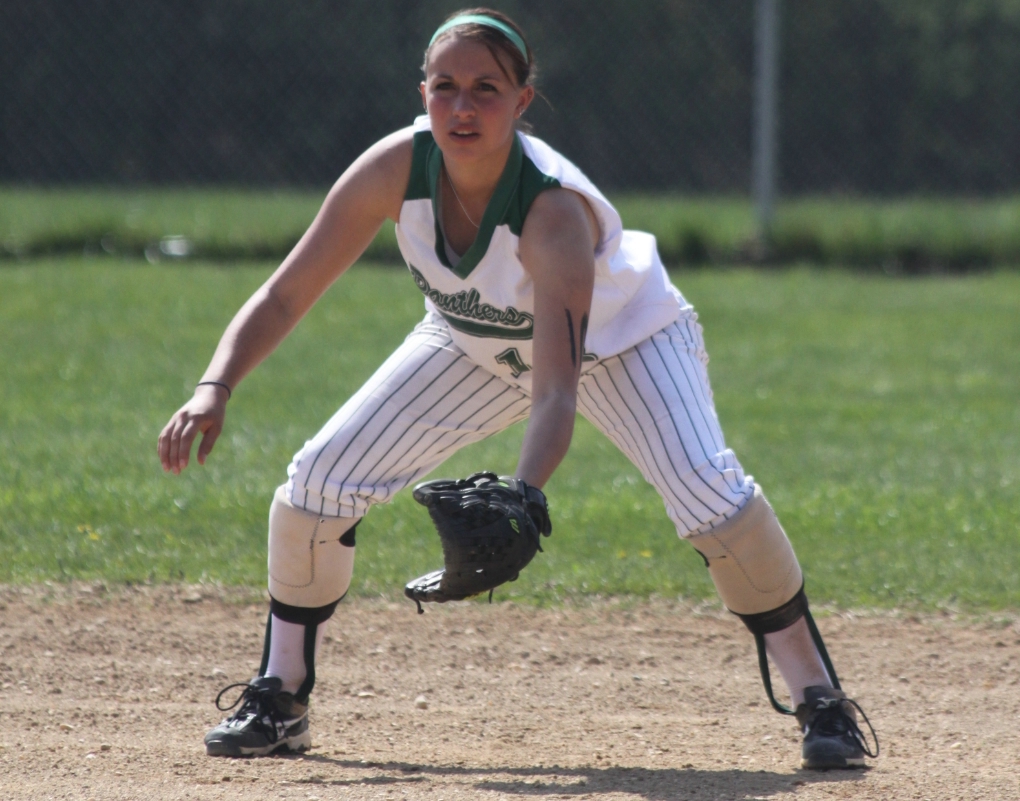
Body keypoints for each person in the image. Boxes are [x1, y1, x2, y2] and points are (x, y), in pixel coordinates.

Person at [157, 8, 876, 769]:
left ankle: (821, 701)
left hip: (623, 342)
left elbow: (556, 392)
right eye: (445, 86)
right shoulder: (395, 169)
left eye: (486, 89)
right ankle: (280, 697)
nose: (462, 106)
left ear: (522, 99)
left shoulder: (551, 211)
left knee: (709, 495)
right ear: (423, 93)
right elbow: (285, 294)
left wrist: (523, 496)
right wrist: (215, 385)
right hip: (470, 338)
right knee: (317, 483)